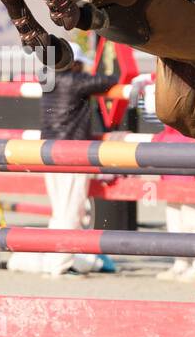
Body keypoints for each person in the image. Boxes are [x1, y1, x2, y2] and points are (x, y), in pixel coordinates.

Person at [9, 51, 119, 277]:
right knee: (71, 212)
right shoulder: (74, 80)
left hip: (50, 152)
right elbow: (109, 81)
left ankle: (55, 259)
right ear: (75, 63)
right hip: (71, 153)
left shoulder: (47, 79)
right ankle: (60, 265)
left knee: (60, 210)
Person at [151, 124, 195, 286]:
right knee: (173, 214)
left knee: (193, 214)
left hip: (190, 139)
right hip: (171, 142)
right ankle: (181, 262)